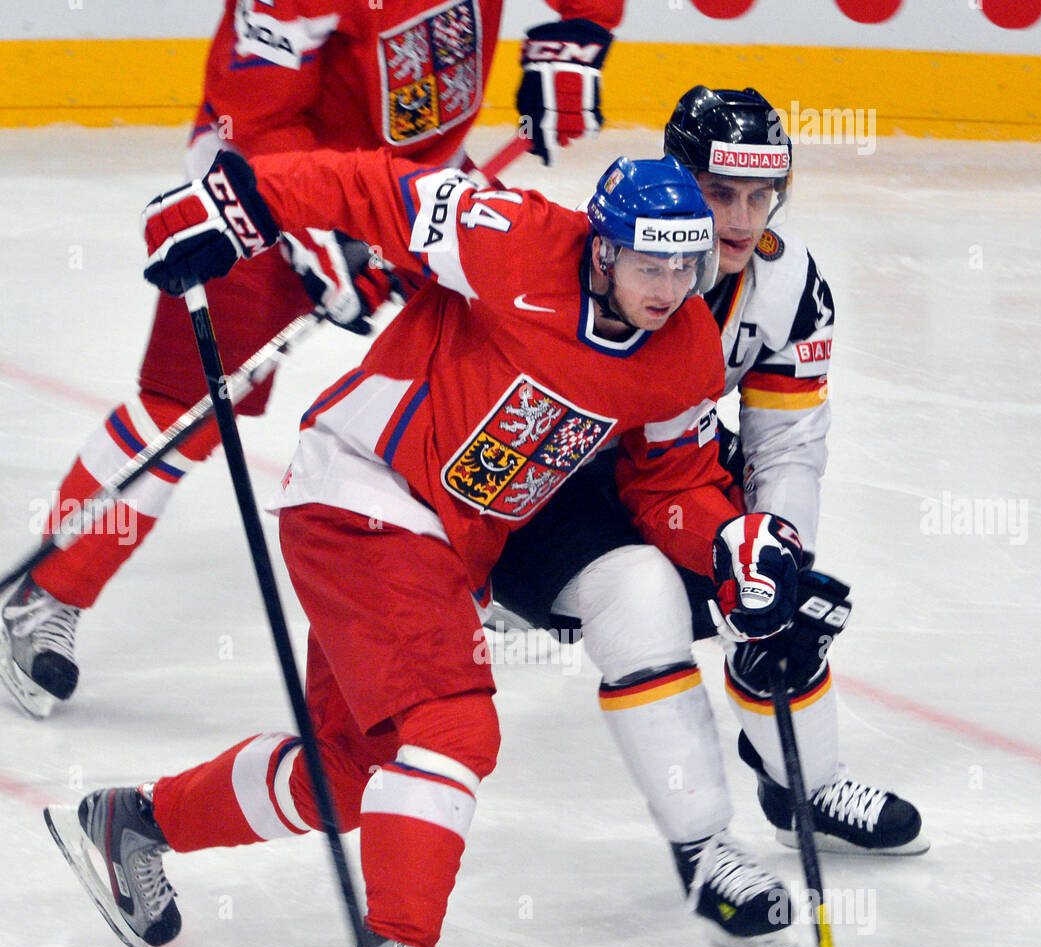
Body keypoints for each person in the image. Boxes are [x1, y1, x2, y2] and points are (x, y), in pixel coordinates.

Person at [46, 143, 793, 947]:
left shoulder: (681, 351)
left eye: (684, 267)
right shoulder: (511, 236)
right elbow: (372, 188)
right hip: (365, 492)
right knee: (451, 725)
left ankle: (136, 822)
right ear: (601, 250)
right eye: (648, 262)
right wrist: (240, 202)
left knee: (356, 769)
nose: (668, 286)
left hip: (443, 549)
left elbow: (670, 479)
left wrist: (730, 544)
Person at [0, 0, 623, 718]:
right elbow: (255, 117)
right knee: (190, 405)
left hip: (420, 186)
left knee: (506, 347)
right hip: (254, 188)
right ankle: (49, 589)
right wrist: (324, 239)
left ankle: (476, 581)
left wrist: (575, 37)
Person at [489, 85, 927, 947]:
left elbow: (786, 447)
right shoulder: (608, 252)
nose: (739, 218)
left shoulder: (789, 285)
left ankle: (803, 782)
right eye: (719, 192)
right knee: (641, 603)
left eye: (760, 195)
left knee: (777, 603)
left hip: (675, 467)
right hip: (549, 479)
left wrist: (774, 556)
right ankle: (702, 848)